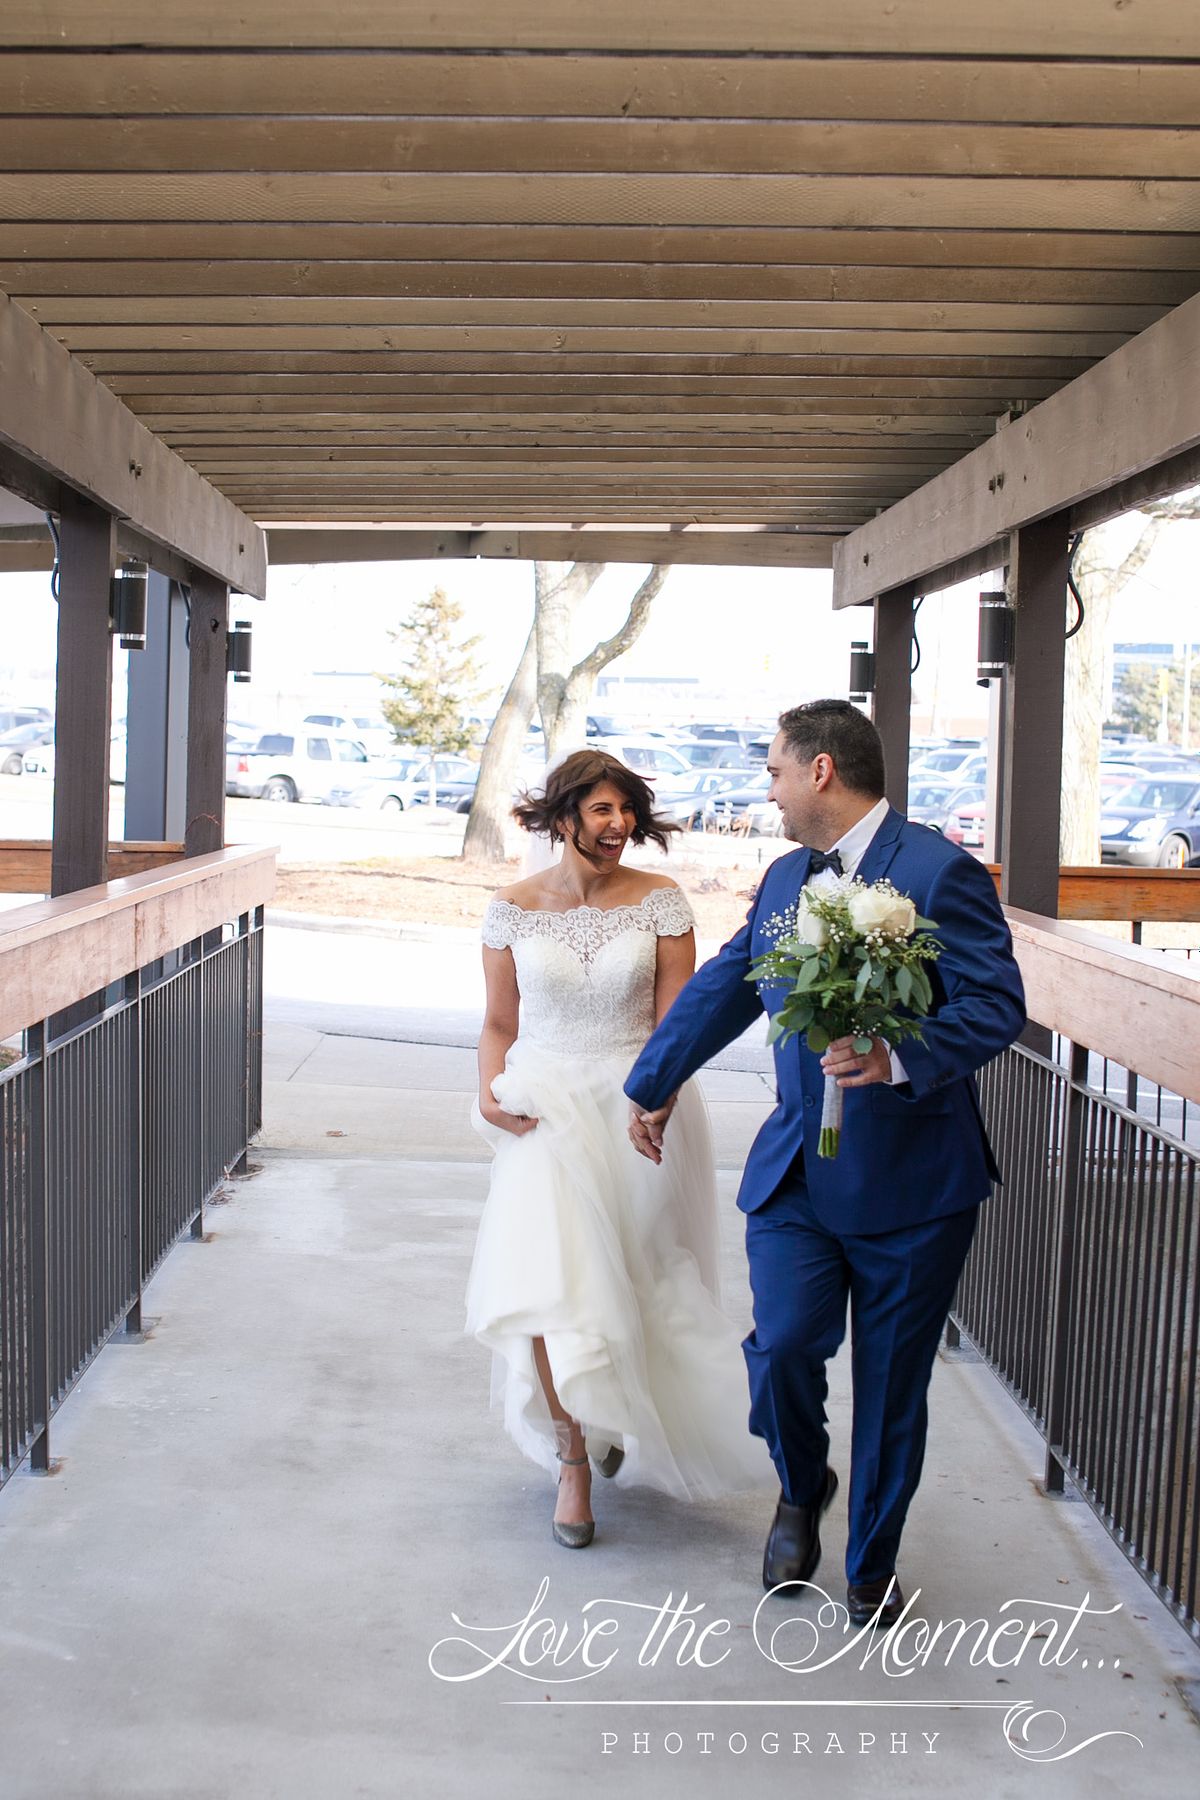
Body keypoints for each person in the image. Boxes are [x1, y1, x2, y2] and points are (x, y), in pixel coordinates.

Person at [625, 701, 1025, 1624]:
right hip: (799, 1171)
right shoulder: (783, 877)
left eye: (774, 771)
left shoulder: (940, 872)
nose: (767, 790)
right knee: (782, 1349)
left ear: (820, 771)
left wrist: (898, 1054)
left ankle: (872, 1565)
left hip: (914, 1186)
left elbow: (996, 1004)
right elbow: (731, 981)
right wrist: (653, 1081)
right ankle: (803, 1485)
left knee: (890, 1390)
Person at [466, 749, 772, 1549]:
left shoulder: (661, 902)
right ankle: (571, 1456)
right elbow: (498, 1023)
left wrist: (659, 1095)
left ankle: (617, 1415)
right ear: (563, 815)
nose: (621, 824)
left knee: (639, 1276)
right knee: (547, 1279)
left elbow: (679, 1022)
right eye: (603, 809)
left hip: (640, 1107)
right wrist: (488, 1090)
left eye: (628, 810)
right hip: (544, 1111)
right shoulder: (510, 909)